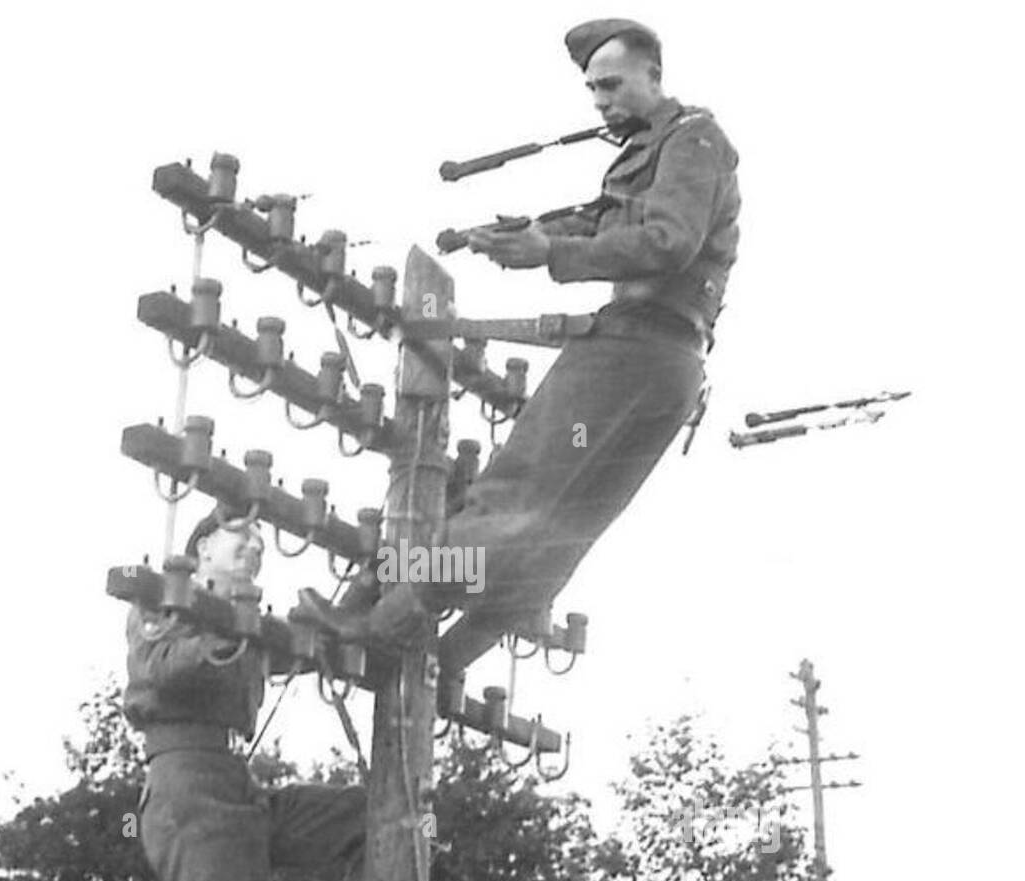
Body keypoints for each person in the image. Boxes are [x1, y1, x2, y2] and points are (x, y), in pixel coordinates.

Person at [298, 19, 740, 659]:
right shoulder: (663, 147)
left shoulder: (692, 138)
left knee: (519, 492)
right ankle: (455, 653)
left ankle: (387, 618)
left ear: (654, 74)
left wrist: (549, 250)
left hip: (630, 356)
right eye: (592, 90)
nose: (600, 101)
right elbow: (610, 219)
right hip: (666, 373)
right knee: (567, 520)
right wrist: (528, 233)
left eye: (611, 85)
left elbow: (667, 242)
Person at [124, 511, 366, 881]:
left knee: (375, 815)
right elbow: (166, 668)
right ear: (202, 546)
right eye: (241, 533)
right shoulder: (166, 599)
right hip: (186, 786)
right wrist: (234, 627)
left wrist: (338, 613)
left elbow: (307, 649)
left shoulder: (245, 619)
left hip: (238, 785)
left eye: (262, 536)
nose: (257, 544)